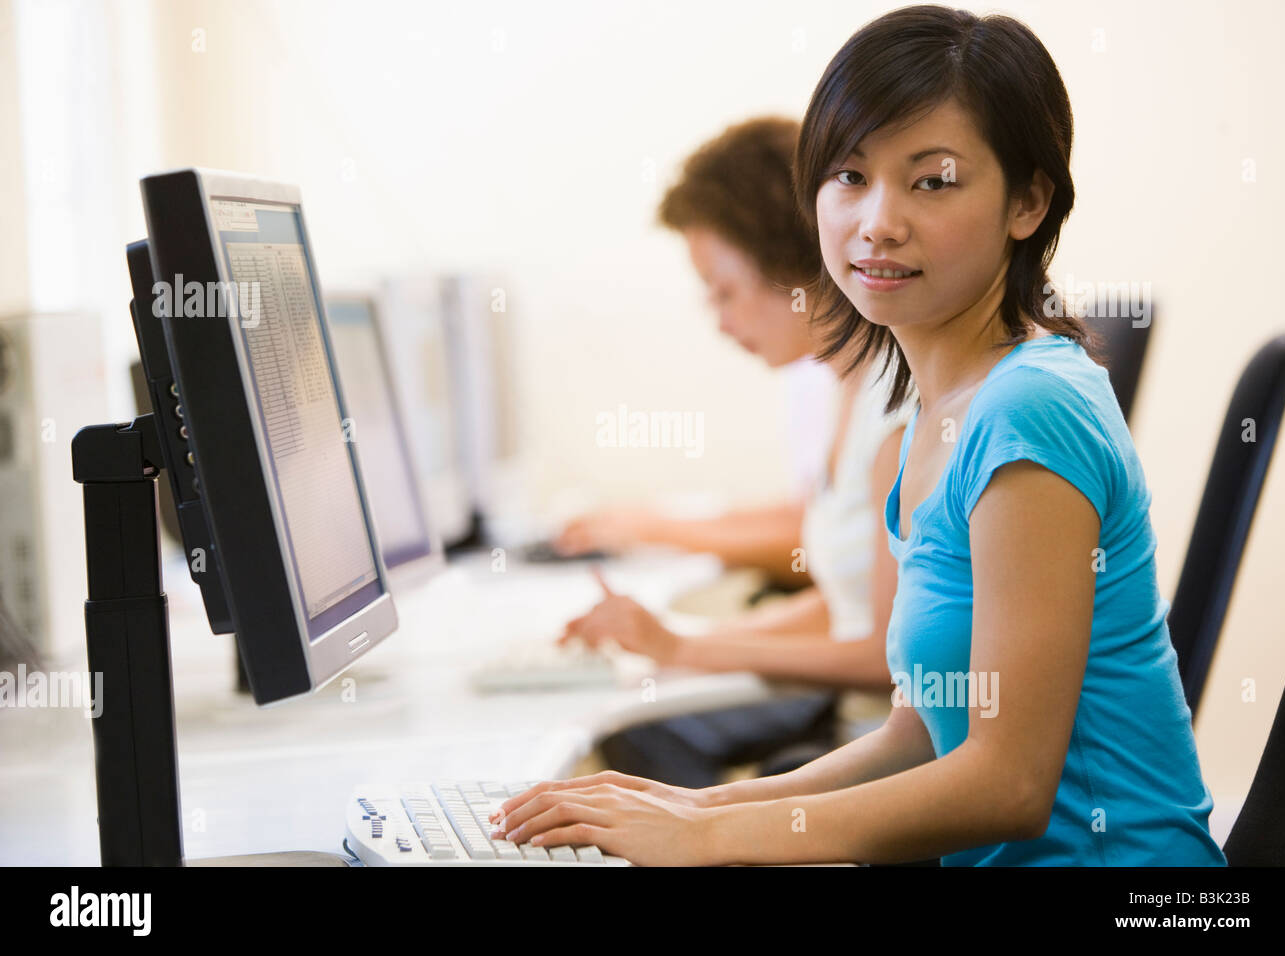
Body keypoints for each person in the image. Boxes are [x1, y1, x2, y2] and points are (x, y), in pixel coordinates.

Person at [489, 5, 1226, 866]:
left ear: (1028, 200)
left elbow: (1008, 786)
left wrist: (712, 833)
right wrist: (694, 807)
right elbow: (917, 736)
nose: (877, 221)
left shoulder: (1027, 410)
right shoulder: (937, 412)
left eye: (933, 180)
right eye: (848, 175)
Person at [554, 118, 911, 788]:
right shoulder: (849, 389)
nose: (720, 322)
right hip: (856, 738)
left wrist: (685, 646)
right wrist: (679, 644)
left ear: (790, 264)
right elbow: (849, 600)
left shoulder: (895, 408)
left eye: (725, 291)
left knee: (639, 759)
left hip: (879, 764)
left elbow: (893, 654)